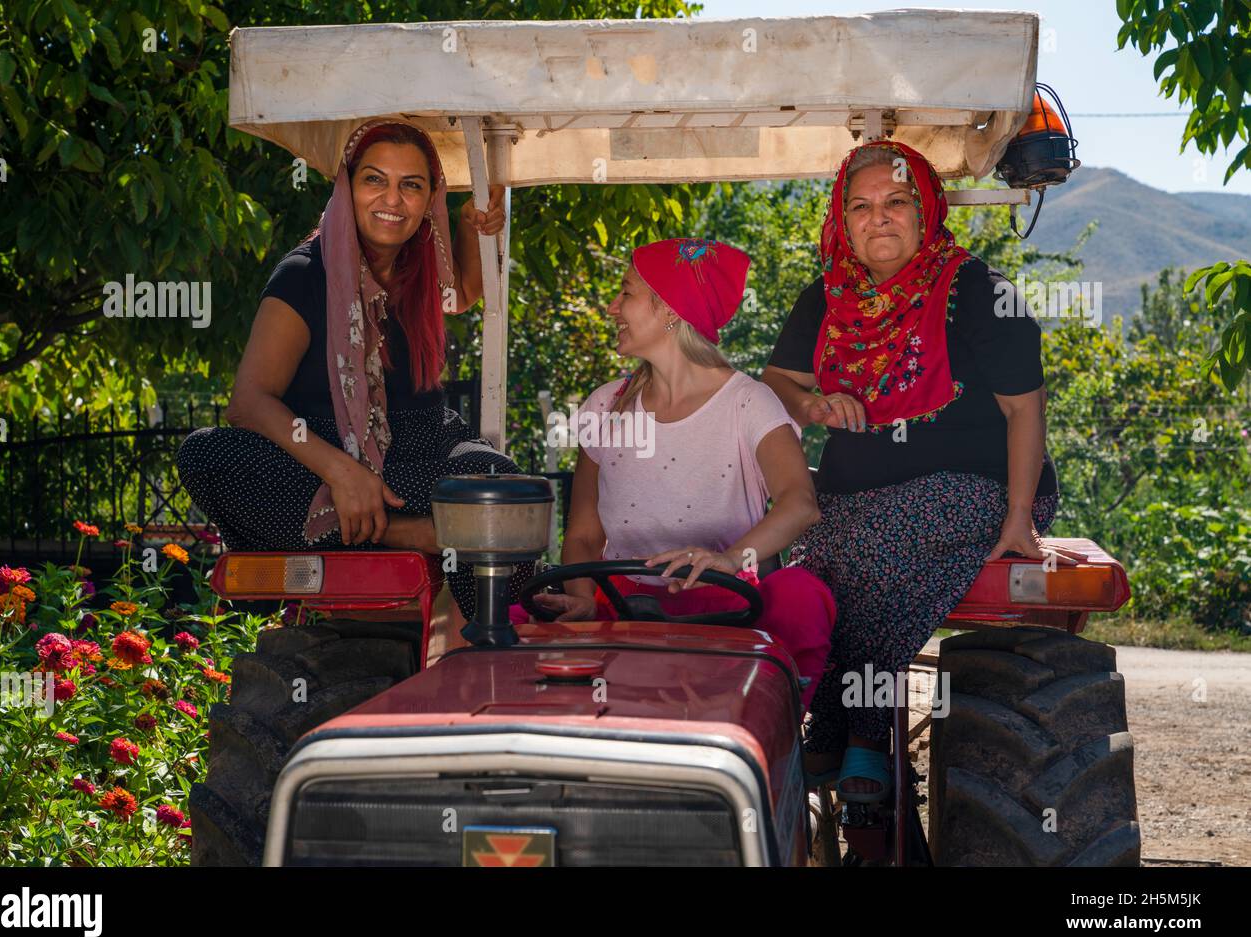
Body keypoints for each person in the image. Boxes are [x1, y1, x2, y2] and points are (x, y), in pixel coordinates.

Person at [762, 140, 1082, 802]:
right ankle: (838, 731)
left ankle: (858, 734)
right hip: (854, 498)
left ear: (927, 209)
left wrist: (1020, 515)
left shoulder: (981, 294)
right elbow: (778, 380)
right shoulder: (825, 297)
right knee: (817, 555)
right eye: (862, 206)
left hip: (984, 491)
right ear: (842, 221)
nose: (879, 218)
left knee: (877, 542)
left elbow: (1026, 409)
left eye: (897, 202)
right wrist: (811, 402)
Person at [177, 120, 535, 621]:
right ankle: (406, 531)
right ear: (347, 186)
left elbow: (464, 293)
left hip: (418, 456)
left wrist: (471, 224)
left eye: (411, 184)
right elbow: (249, 402)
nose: (392, 198)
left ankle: (485, 644)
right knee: (206, 454)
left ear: (430, 196)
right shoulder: (305, 274)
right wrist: (343, 474)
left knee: (504, 491)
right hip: (324, 453)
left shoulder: (424, 265)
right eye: (375, 179)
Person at [518, 238, 836, 707]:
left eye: (625, 294)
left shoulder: (750, 402)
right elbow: (583, 536)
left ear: (669, 309)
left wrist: (730, 559)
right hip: (619, 604)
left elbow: (800, 504)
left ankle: (769, 735)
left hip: (722, 607)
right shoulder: (603, 404)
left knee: (799, 596)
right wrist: (584, 600)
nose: (612, 307)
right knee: (508, 620)